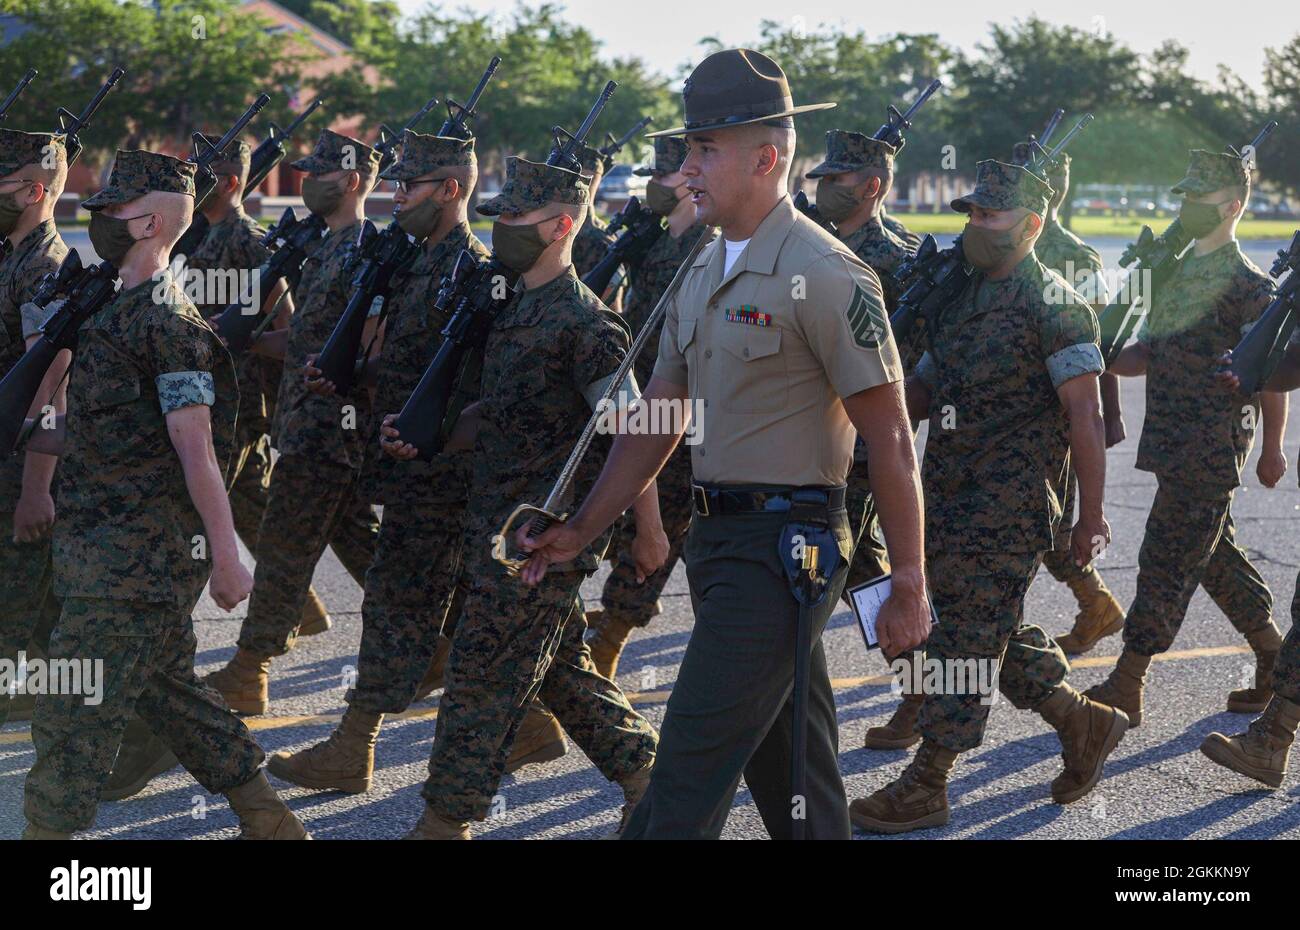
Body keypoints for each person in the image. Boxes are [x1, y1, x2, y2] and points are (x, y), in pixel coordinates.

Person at [519, 48, 932, 840]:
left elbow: (892, 440)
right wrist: (581, 530)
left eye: (705, 152)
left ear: (766, 157)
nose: (685, 172)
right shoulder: (701, 265)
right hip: (720, 543)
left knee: (683, 779)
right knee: (795, 779)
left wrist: (908, 581)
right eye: (687, 151)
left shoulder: (827, 272)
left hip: (790, 550)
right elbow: (660, 418)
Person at [19, 149, 306, 839]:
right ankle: (268, 819)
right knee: (173, 695)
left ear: (149, 223)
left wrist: (231, 556)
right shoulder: (109, 309)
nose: (100, 218)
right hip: (97, 551)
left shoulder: (170, 324)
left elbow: (198, 449)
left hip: (136, 560)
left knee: (69, 710)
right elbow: (81, 423)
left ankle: (46, 837)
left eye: (113, 209)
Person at [381, 151, 661, 840]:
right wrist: (429, 435)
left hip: (542, 540)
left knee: (477, 685)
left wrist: (646, 531)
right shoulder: (507, 309)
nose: (500, 225)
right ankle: (652, 781)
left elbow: (636, 435)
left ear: (562, 225)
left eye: (515, 216)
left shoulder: (588, 328)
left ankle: (444, 824)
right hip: (491, 529)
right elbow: (493, 416)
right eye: (498, 213)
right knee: (563, 673)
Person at [850, 158, 1128, 834]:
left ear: (1032, 224)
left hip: (1008, 507)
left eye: (991, 214)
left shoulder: (1055, 303)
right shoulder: (963, 298)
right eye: (971, 212)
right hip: (942, 494)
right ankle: (1082, 719)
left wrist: (1091, 514)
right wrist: (857, 410)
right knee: (978, 630)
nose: (977, 224)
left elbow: (1085, 416)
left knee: (966, 645)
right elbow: (920, 388)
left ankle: (930, 781)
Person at [1091, 148, 1285, 726]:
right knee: (1212, 555)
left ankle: (1129, 679)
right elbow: (1151, 351)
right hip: (1172, 437)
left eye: (1197, 197)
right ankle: (1274, 657)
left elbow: (1271, 371)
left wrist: (1272, 448)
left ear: (1230, 205)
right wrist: (1099, 357)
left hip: (1212, 444)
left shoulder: (1250, 285)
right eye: (1183, 195)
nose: (1185, 206)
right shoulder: (1173, 271)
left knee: (1167, 554)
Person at [803, 128, 921, 748]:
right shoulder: (818, 241)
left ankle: (925, 689)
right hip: (815, 436)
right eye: (821, 177)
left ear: (872, 187)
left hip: (858, 445)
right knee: (861, 573)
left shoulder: (897, 261)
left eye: (837, 179)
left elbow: (912, 366)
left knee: (822, 572)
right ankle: (922, 686)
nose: (822, 188)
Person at [585, 134, 716, 680]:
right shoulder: (657, 241)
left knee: (657, 526)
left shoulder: (708, 249)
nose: (651, 187)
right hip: (642, 401)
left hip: (687, 418)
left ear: (687, 182)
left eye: (659, 177)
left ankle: (612, 634)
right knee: (652, 530)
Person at [1016, 143, 1127, 656]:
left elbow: (1095, 347)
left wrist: (1110, 417)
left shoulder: (1077, 257)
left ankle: (1093, 606)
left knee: (1047, 521)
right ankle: (1097, 603)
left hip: (1054, 411)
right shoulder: (1006, 238)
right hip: (1014, 408)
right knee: (1050, 526)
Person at [0, 128, 68, 728]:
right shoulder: (9, 254)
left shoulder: (44, 265)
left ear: (33, 190)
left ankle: (26, 689)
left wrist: (35, 487)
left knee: (18, 590)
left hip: (22, 462)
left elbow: (53, 380)